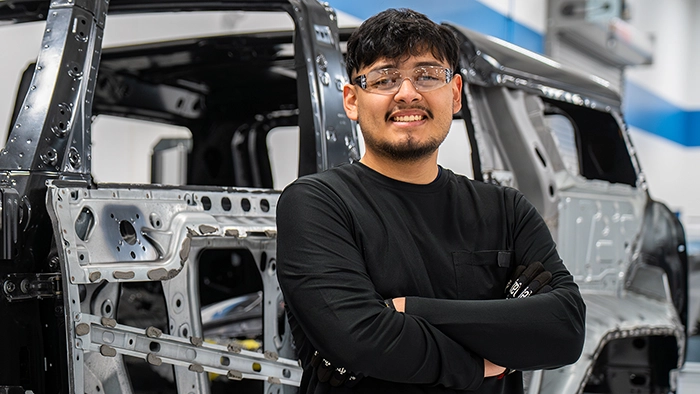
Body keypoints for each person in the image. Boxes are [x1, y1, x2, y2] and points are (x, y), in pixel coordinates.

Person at [276, 8, 586, 394]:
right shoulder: (317, 204)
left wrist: (409, 310)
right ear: (352, 100)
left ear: (454, 94)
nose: (407, 93)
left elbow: (565, 329)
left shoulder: (507, 210)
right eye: (385, 78)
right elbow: (358, 337)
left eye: (426, 75)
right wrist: (481, 360)